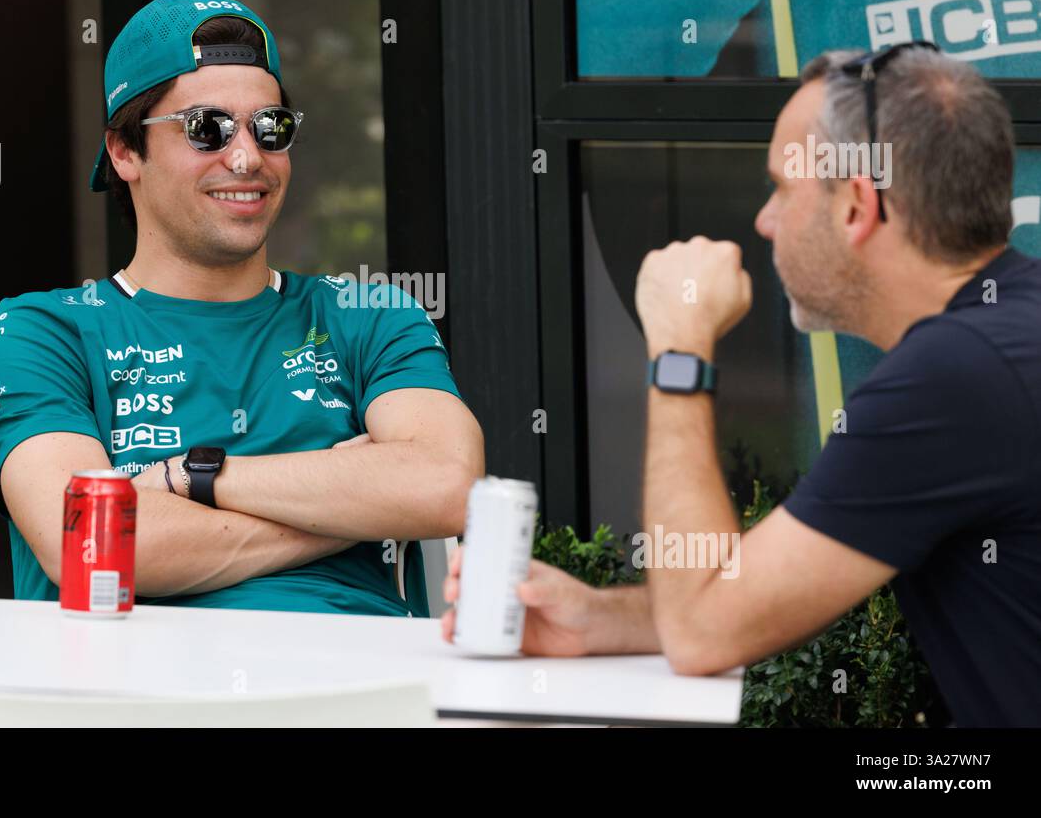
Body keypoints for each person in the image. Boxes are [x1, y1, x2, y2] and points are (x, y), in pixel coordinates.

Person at [444, 43, 1041, 726]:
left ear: (856, 205)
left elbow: (705, 629)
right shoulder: (997, 342)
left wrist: (679, 345)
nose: (764, 220)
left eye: (783, 188)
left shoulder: (956, 376)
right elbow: (756, 593)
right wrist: (595, 618)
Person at [0, 0, 483, 615]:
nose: (246, 157)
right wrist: (349, 504)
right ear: (125, 151)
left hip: (349, 694)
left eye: (271, 127)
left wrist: (200, 478)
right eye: (206, 128)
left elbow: (447, 484)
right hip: (137, 702)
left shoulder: (368, 315)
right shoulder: (44, 330)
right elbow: (90, 545)